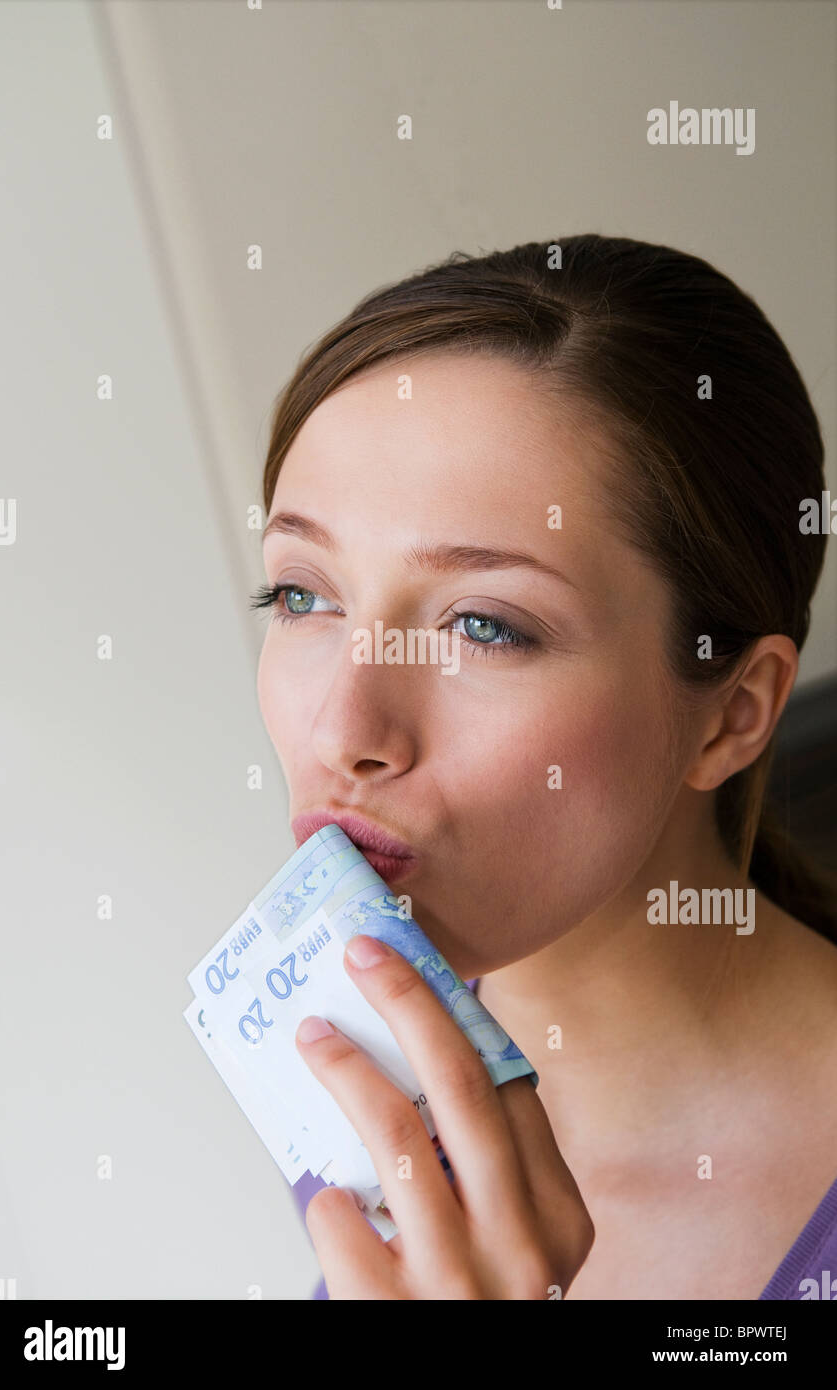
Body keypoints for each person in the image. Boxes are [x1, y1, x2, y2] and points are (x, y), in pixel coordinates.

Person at [251, 235, 837, 1300]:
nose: (344, 728)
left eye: (482, 625)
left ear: (731, 713)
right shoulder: (365, 1106)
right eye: (302, 595)